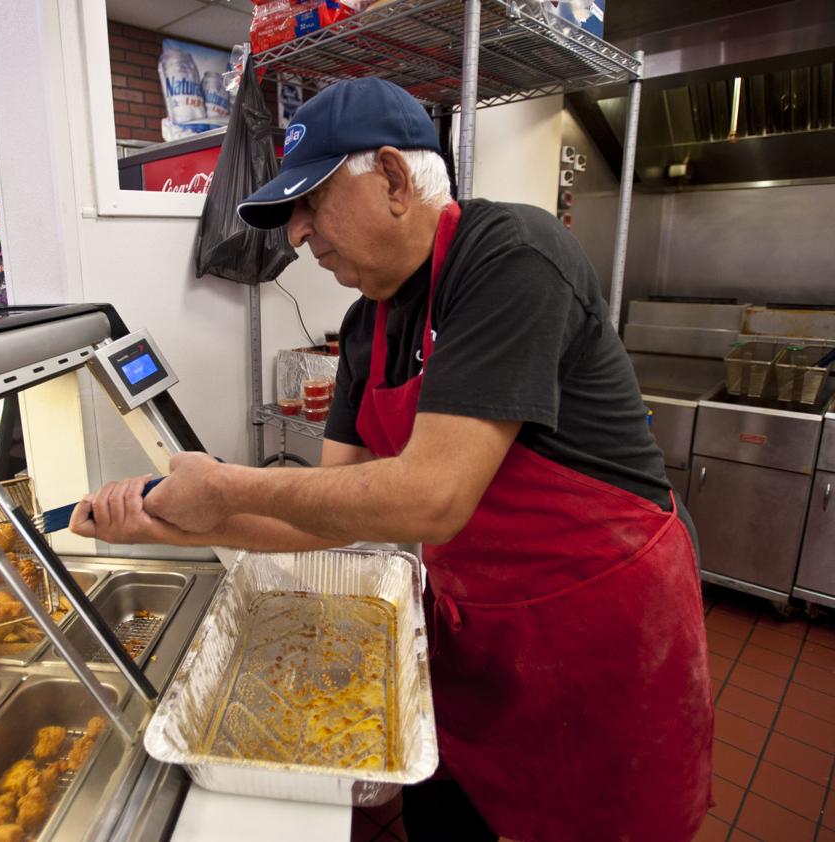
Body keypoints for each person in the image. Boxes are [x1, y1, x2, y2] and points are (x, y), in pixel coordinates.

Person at [70, 77, 713, 842]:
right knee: (454, 815)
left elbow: (431, 497)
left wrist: (226, 486)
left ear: (396, 178)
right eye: (293, 217)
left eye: (311, 205)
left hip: (599, 631)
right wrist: (165, 524)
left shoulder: (511, 256)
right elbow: (331, 511)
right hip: (479, 631)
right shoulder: (365, 328)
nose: (299, 236)